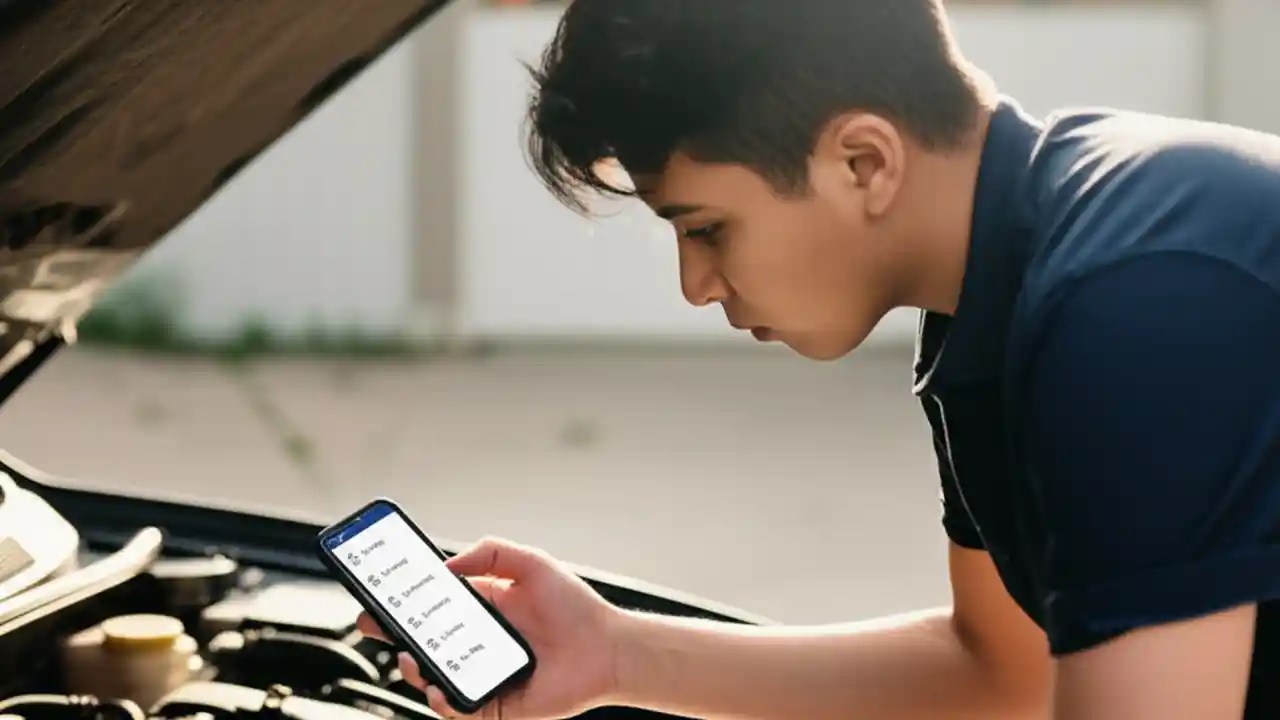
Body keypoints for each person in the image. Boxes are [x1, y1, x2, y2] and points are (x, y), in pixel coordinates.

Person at [359, 1, 1280, 717]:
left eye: (706, 229)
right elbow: (1001, 670)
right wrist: (614, 652)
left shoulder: (1138, 301)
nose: (695, 285)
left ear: (864, 163)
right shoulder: (1001, 293)